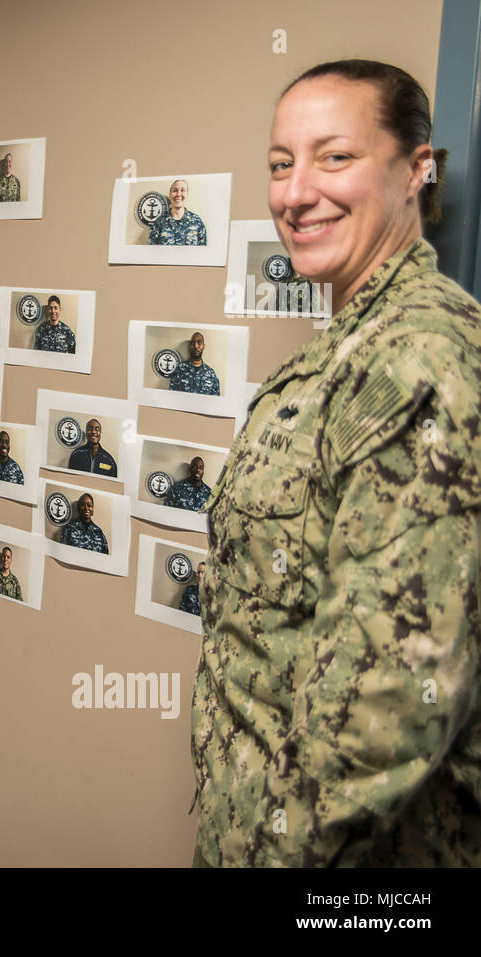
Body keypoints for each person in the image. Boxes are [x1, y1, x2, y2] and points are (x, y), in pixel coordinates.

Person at [192, 60, 481, 868]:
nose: (295, 192)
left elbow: (387, 707)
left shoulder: (418, 358)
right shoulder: (352, 347)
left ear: (416, 170)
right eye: (281, 164)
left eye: (335, 157)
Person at [147, 179, 208, 245]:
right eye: (175, 190)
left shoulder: (197, 222)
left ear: (187, 194)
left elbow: (202, 253)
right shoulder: (159, 222)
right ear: (170, 195)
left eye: (182, 190)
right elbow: (152, 252)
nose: (178, 194)